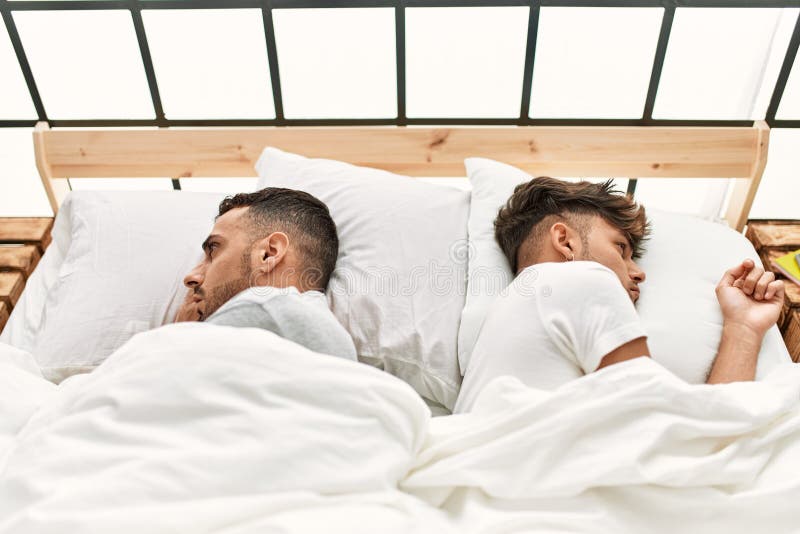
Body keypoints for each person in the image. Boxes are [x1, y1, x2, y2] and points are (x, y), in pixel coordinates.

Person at [454, 177, 785, 413]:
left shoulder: (507, 315)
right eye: (621, 248)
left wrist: (743, 327)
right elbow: (688, 442)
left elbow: (687, 434)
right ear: (565, 241)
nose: (639, 272)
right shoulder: (583, 279)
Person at [173, 187, 357, 362]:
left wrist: (179, 333)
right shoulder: (328, 335)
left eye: (213, 249)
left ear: (269, 253)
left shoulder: (266, 308)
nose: (191, 277)